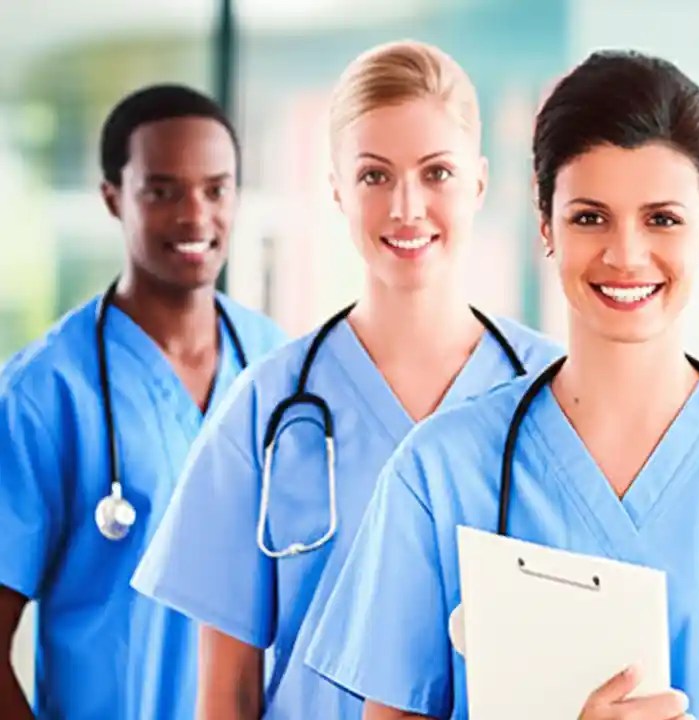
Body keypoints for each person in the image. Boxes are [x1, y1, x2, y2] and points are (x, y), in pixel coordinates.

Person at [302, 49, 699, 720]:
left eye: (662, 219)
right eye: (589, 217)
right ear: (545, 226)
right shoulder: (440, 472)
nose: (625, 254)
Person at [128, 41, 563, 720]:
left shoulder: (554, 392)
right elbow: (227, 693)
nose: (406, 207)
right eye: (374, 176)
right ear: (336, 188)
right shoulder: (268, 405)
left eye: (437, 172)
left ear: (479, 183)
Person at [0, 84, 287, 719]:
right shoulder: (43, 393)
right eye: (162, 191)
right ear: (112, 197)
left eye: (216, 190)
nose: (195, 216)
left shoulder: (281, 370)